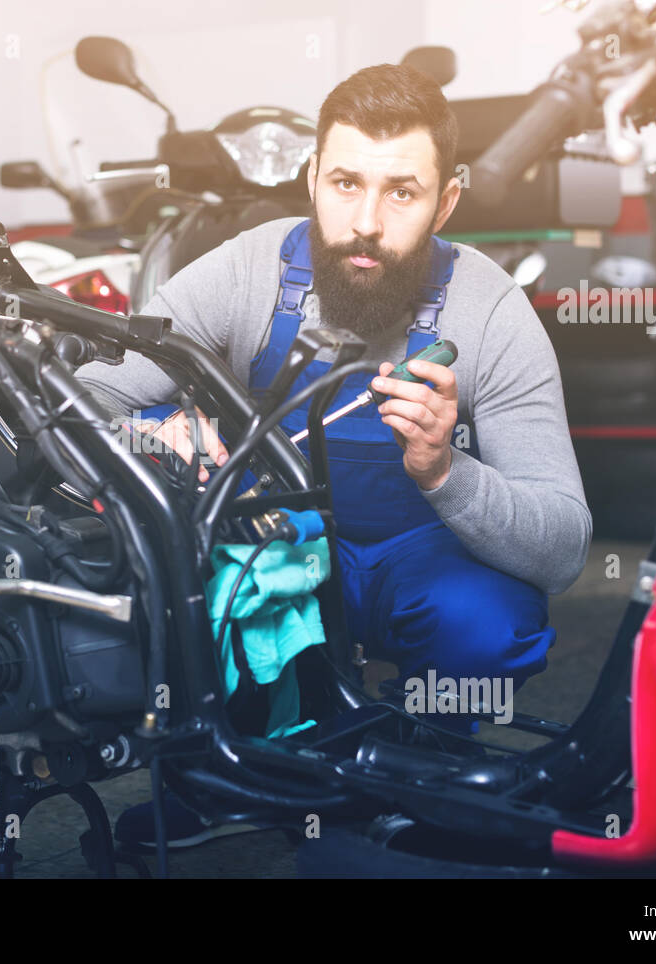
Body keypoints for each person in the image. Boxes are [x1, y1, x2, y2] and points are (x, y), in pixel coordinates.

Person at [74, 62, 592, 851]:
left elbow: (562, 546)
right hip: (277, 545)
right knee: (182, 553)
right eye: (345, 184)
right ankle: (225, 768)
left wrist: (447, 473)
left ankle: (429, 778)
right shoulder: (248, 271)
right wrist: (159, 441)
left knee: (485, 621)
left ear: (446, 200)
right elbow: (82, 405)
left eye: (402, 193)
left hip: (414, 558)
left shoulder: (490, 310)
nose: (367, 222)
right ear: (312, 176)